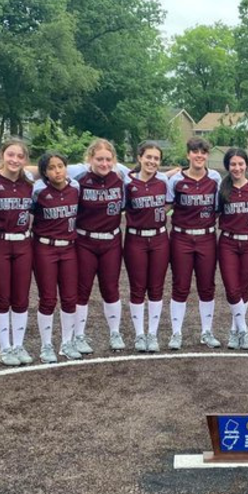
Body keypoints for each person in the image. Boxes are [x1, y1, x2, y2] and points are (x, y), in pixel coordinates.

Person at [64, 139, 133, 354]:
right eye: (99, 159)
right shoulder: (79, 178)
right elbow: (47, 170)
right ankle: (79, 335)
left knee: (110, 288)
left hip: (111, 240)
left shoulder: (120, 178)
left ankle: (114, 332)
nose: (104, 163)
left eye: (108, 159)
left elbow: (148, 174)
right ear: (90, 159)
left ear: (114, 160)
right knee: (81, 290)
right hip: (85, 240)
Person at [166, 137, 224, 349]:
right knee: (180, 285)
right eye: (195, 151)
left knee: (207, 285)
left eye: (203, 152)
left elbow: (218, 208)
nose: (199, 156)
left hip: (207, 237)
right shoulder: (176, 181)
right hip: (182, 237)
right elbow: (166, 204)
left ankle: (206, 331)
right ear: (188, 154)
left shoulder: (215, 178)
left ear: (207, 155)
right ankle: (176, 333)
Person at [0, 138, 36, 366]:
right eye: (10, 154)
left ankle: (18, 345)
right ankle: (5, 347)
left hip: (24, 243)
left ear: (25, 159)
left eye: (20, 156)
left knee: (21, 297)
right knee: (2, 297)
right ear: (2, 155)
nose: (15, 160)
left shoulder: (29, 182)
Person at [30, 150, 82, 361]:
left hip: (69, 247)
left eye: (60, 166)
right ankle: (46, 345)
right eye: (51, 168)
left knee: (70, 298)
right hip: (45, 247)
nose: (57, 171)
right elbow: (29, 217)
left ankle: (67, 343)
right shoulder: (38, 191)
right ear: (44, 172)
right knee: (48, 298)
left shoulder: (75, 187)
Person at [122, 141, 172, 352]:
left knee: (156, 287)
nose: (152, 161)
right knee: (137, 287)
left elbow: (171, 203)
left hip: (159, 238)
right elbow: (122, 207)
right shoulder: (128, 183)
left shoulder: (163, 182)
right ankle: (139, 334)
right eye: (148, 157)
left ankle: (152, 333)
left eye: (156, 158)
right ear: (140, 158)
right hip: (135, 239)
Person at [217, 148, 248, 350]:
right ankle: (243, 329)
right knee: (232, 287)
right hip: (228, 242)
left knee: (243, 288)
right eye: (233, 164)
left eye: (240, 163)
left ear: (246, 165)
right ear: (227, 166)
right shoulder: (221, 189)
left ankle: (235, 331)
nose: (237, 168)